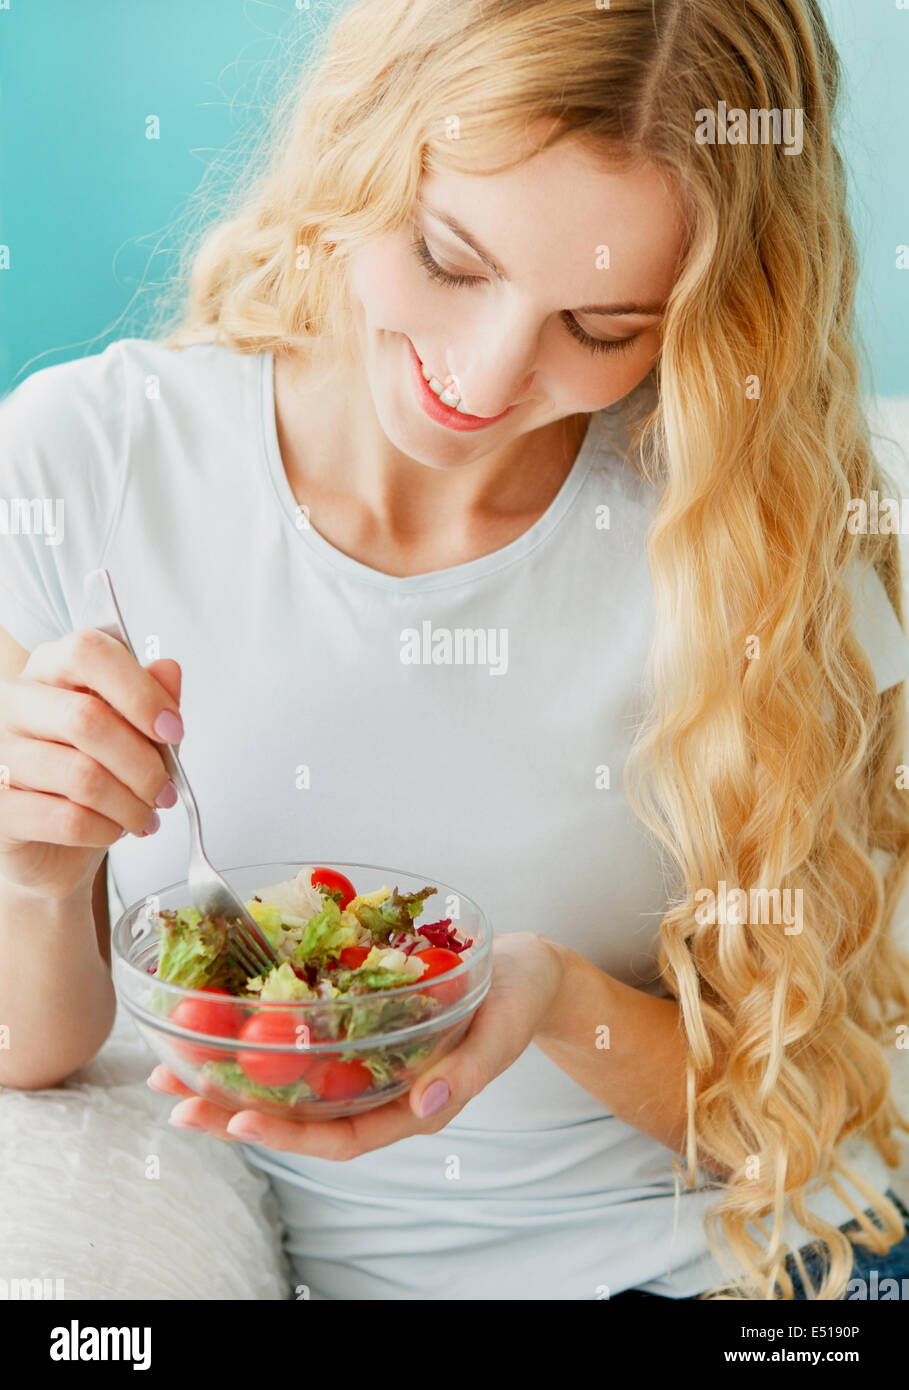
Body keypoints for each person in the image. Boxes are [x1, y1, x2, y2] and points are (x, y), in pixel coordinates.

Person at [1, 0, 909, 1302]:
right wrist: (34, 868)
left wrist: (549, 1001)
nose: (481, 381)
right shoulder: (87, 466)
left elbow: (819, 1107)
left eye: (600, 328)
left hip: (766, 1275)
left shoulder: (753, 525)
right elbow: (30, 1053)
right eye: (449, 257)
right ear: (361, 150)